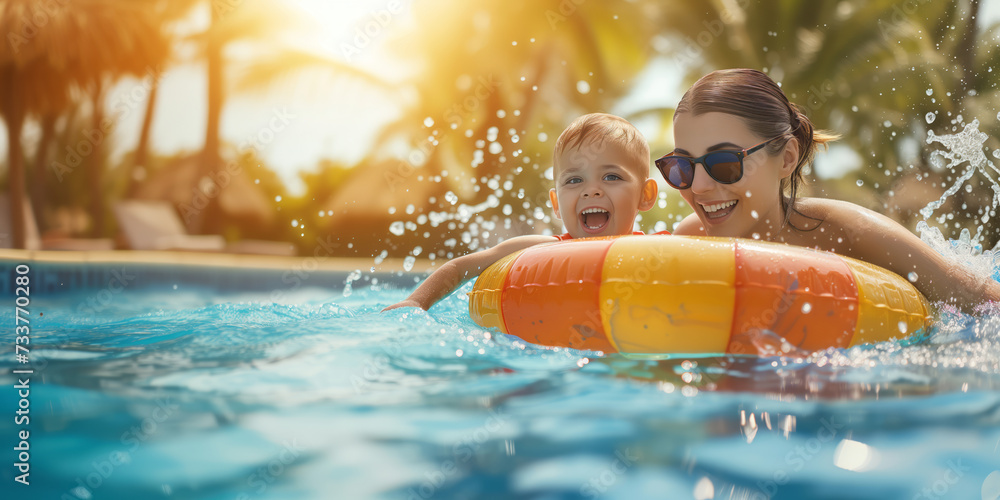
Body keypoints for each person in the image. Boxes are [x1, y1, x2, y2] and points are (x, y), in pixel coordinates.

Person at [658, 68, 1000, 309]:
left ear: (787, 158)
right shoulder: (691, 240)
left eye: (724, 163)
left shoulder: (852, 233)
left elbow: (982, 302)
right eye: (682, 167)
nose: (699, 187)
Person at [383, 113, 659, 311]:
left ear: (645, 195)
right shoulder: (541, 249)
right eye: (574, 181)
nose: (591, 191)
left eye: (611, 177)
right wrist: (416, 302)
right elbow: (459, 268)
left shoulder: (657, 252)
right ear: (555, 203)